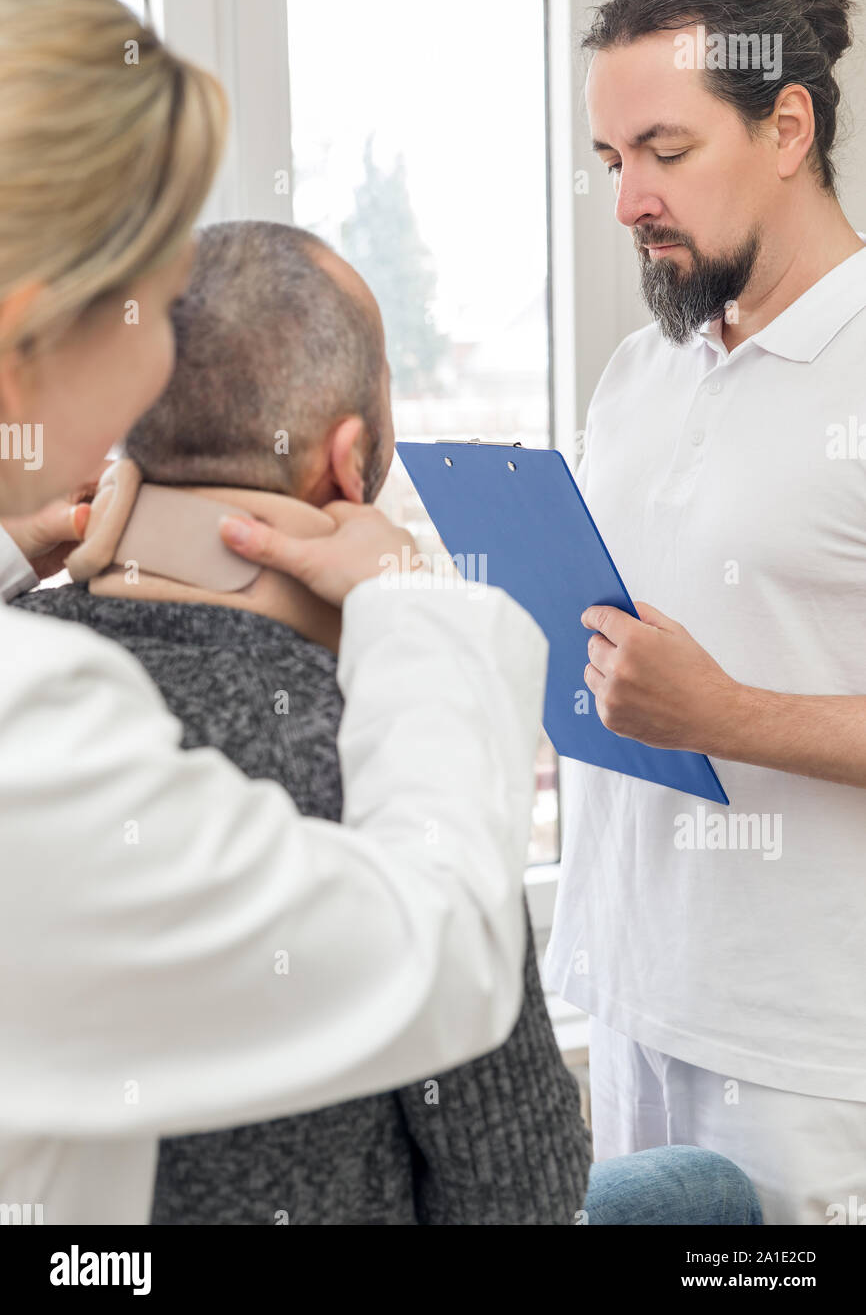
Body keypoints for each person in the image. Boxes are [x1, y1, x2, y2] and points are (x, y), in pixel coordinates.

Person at [15, 220, 762, 1227]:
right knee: (711, 1194)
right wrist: (406, 602)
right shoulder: (395, 753)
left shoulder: (32, 672)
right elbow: (524, 1200)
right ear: (347, 459)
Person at [0, 0, 547, 1226]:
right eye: (144, 305)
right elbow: (444, 964)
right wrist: (412, 607)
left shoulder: (40, 633)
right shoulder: (51, 739)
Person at [543, 0, 866, 1225]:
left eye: (662, 150)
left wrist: (721, 713)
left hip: (814, 1055)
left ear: (785, 126)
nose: (626, 197)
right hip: (627, 991)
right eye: (610, 156)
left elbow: (700, 694)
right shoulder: (639, 366)